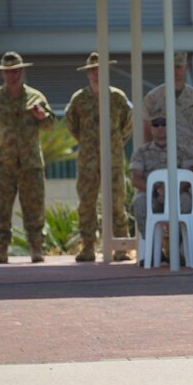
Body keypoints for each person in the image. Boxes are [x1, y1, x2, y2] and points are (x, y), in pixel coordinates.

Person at [0, 51, 55, 264]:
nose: (12, 75)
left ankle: (36, 247)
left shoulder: (35, 97)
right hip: (4, 164)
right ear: (3, 74)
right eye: (8, 72)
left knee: (34, 207)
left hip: (30, 164)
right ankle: (1, 248)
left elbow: (50, 125)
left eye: (16, 71)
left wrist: (42, 116)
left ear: (22, 71)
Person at [64, 52, 134, 263]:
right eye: (93, 70)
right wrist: (87, 142)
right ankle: (88, 247)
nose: (96, 73)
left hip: (113, 159)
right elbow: (71, 125)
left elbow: (128, 124)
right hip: (88, 160)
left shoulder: (118, 98)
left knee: (117, 202)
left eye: (100, 69)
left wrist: (114, 142)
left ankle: (120, 247)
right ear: (88, 73)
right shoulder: (79, 99)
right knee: (87, 203)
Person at [129, 114, 193, 265]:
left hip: (177, 193)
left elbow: (189, 176)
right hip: (151, 194)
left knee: (186, 203)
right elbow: (136, 179)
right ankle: (153, 251)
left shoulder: (183, 151)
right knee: (139, 203)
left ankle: (176, 250)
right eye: (156, 124)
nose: (160, 127)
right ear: (151, 128)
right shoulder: (141, 152)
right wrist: (156, 191)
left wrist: (171, 193)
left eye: (164, 124)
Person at [141, 51, 193, 161]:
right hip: (160, 158)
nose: (175, 71)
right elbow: (146, 129)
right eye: (171, 67)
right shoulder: (153, 98)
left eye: (178, 67)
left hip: (190, 158)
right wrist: (148, 157)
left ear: (186, 67)